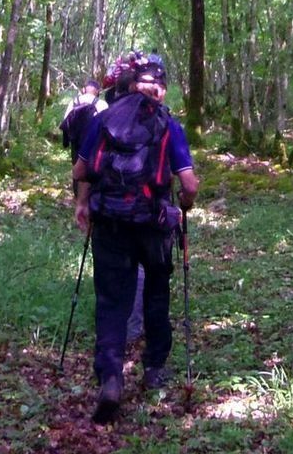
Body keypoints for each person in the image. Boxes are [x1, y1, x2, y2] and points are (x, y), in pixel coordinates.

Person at [72, 52, 199, 423]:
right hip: (154, 225)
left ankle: (111, 377)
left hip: (110, 222)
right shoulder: (169, 125)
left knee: (112, 301)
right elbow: (188, 182)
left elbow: (82, 169)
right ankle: (154, 369)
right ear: (158, 92)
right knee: (156, 293)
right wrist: (184, 203)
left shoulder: (102, 120)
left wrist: (83, 204)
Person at [59, 80, 103, 156]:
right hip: (93, 143)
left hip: (75, 141)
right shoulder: (101, 103)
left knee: (76, 163)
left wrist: (66, 141)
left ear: (83, 90)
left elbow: (66, 120)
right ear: (98, 91)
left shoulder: (74, 102)